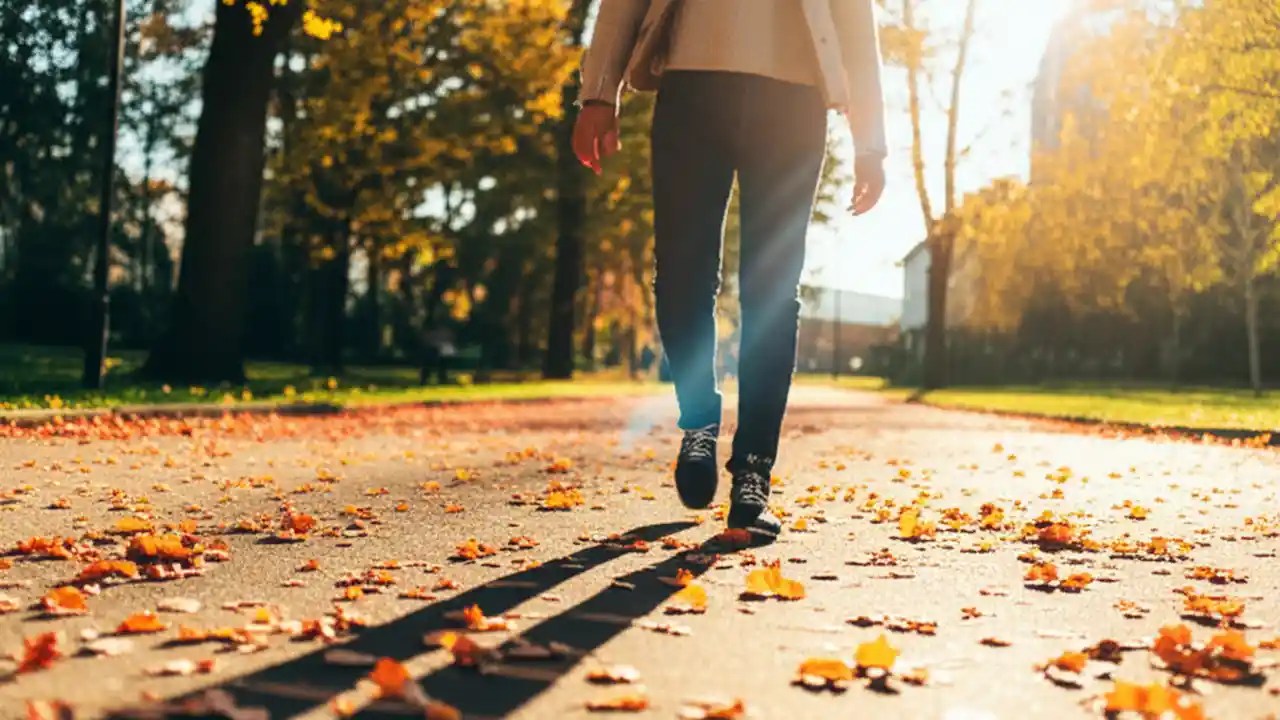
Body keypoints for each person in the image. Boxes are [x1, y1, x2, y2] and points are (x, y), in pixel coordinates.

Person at [574, 0, 887, 541]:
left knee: (772, 291)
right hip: (693, 86)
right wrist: (600, 92)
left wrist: (871, 142)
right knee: (681, 274)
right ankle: (698, 421)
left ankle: (753, 474)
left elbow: (857, 23)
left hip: (796, 96)